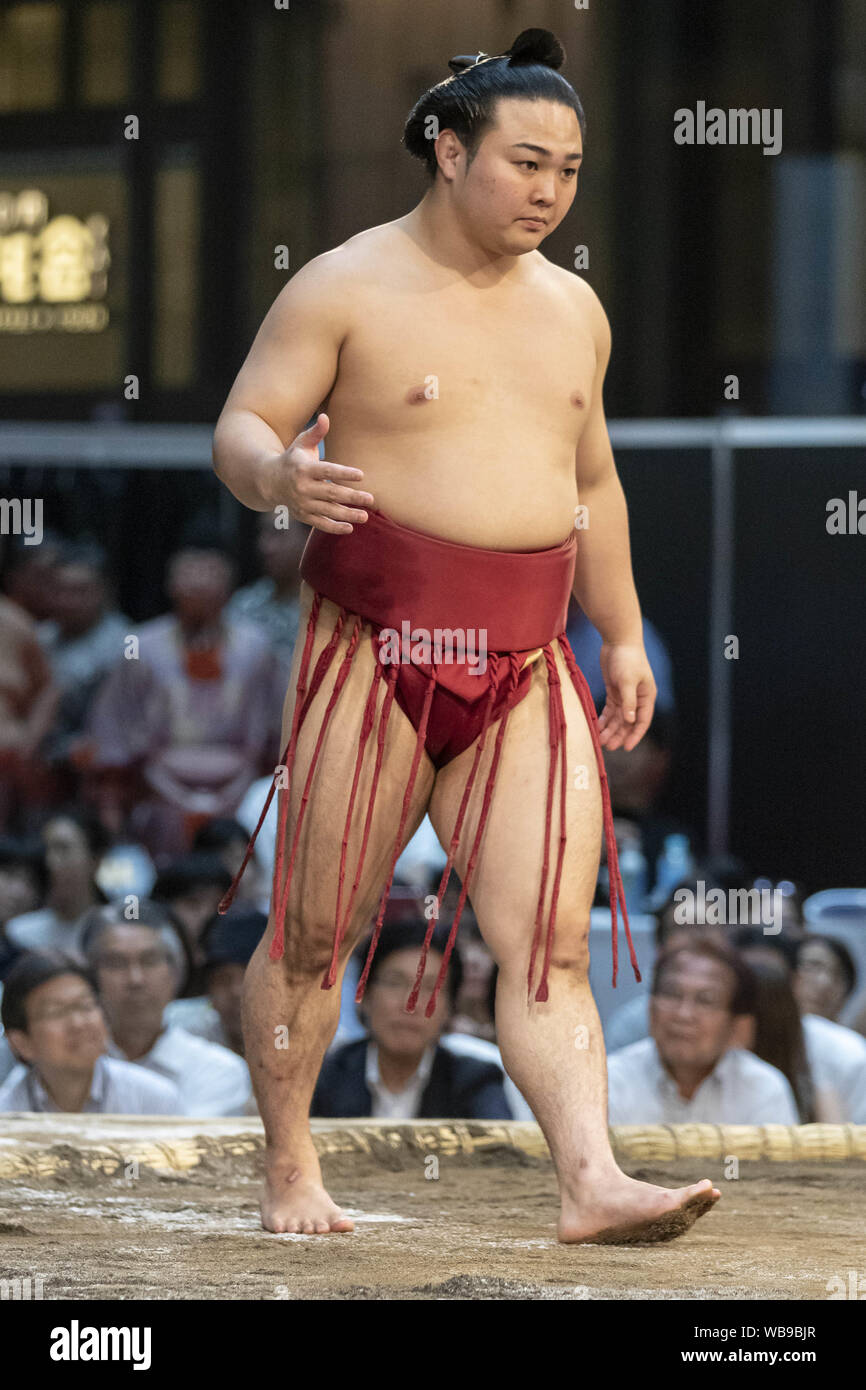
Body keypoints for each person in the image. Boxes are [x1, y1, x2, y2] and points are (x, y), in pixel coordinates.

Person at [212, 28, 720, 1240]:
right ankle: (291, 1169)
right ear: (447, 150)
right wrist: (281, 479)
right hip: (373, 652)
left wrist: (627, 633)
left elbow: (590, 480)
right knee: (319, 931)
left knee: (545, 941)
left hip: (529, 658)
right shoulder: (341, 282)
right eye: (525, 163)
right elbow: (239, 425)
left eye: (569, 171)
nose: (548, 192)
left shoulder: (575, 308)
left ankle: (589, 1179)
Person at [85, 534, 286, 863]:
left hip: (243, 787)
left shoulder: (256, 647)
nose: (199, 585)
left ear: (229, 588)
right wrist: (115, 801)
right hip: (157, 791)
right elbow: (113, 734)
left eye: (210, 575)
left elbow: (281, 733)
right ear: (170, 585)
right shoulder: (141, 647)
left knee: (251, 834)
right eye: (190, 576)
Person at [312, 921, 511, 1119]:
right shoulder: (323, 1076)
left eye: (430, 988)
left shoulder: (474, 1080)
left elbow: (498, 1148)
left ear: (449, 1008)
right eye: (395, 983)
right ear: (364, 995)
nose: (410, 1004)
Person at [80, 901, 252, 1116]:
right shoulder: (69, 1065)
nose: (135, 979)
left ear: (175, 973)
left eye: (150, 961)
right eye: (116, 963)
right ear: (90, 978)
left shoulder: (219, 1070)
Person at [606, 940, 799, 1125]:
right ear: (650, 1007)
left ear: (737, 1025)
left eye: (705, 1001)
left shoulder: (763, 1088)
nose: (684, 1014)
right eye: (671, 994)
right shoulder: (611, 1080)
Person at [0, 951, 182, 1114]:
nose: (78, 1023)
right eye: (56, 1012)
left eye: (86, 1006)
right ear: (21, 1042)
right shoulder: (6, 1113)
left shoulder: (155, 1099)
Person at [4, 807, 110, 960]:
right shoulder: (18, 934)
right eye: (45, 850)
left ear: (96, 860)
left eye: (63, 849)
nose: (50, 861)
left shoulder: (120, 930)